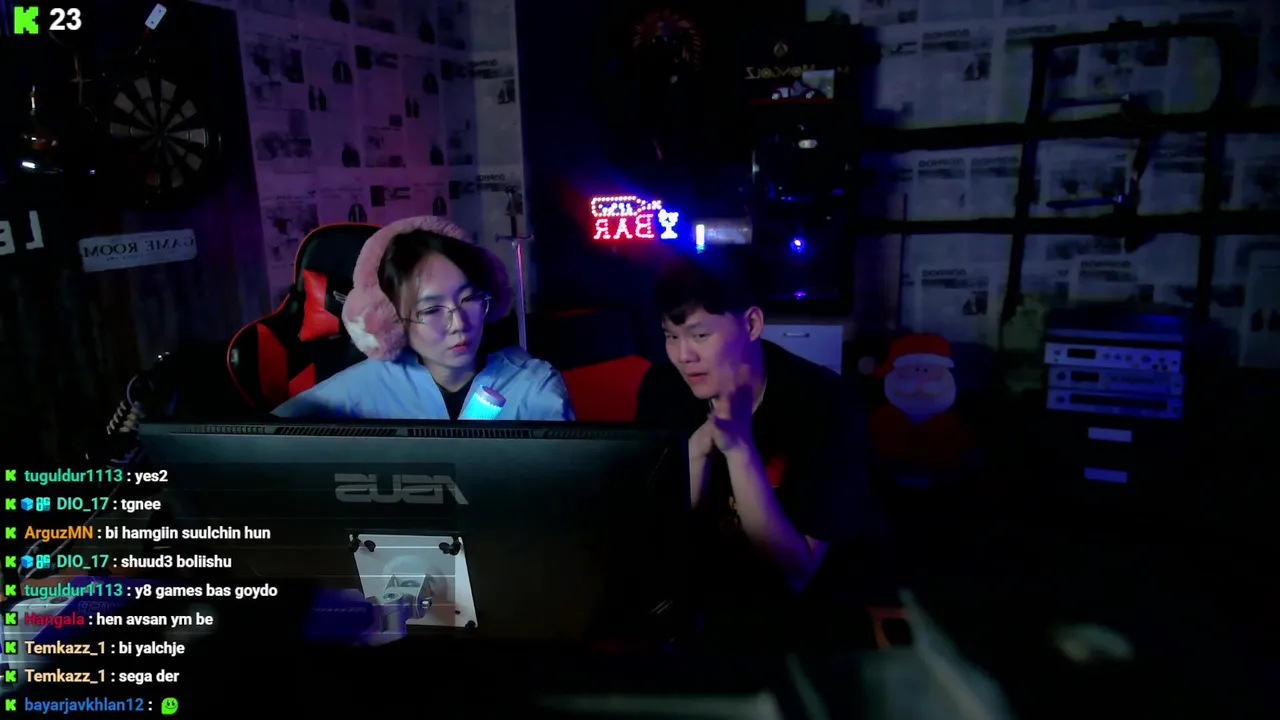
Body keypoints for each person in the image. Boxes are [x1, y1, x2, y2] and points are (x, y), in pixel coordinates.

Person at [635, 251, 875, 628]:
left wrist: (738, 449)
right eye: (671, 336)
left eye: (700, 335)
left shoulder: (825, 402)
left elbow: (796, 572)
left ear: (751, 324)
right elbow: (653, 542)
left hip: (794, 619)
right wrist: (695, 452)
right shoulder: (661, 389)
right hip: (689, 606)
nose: (683, 356)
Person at [274, 216, 573, 420]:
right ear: (393, 321)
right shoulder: (365, 385)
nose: (459, 325)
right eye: (431, 310)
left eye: (470, 299)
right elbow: (269, 437)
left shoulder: (532, 385)